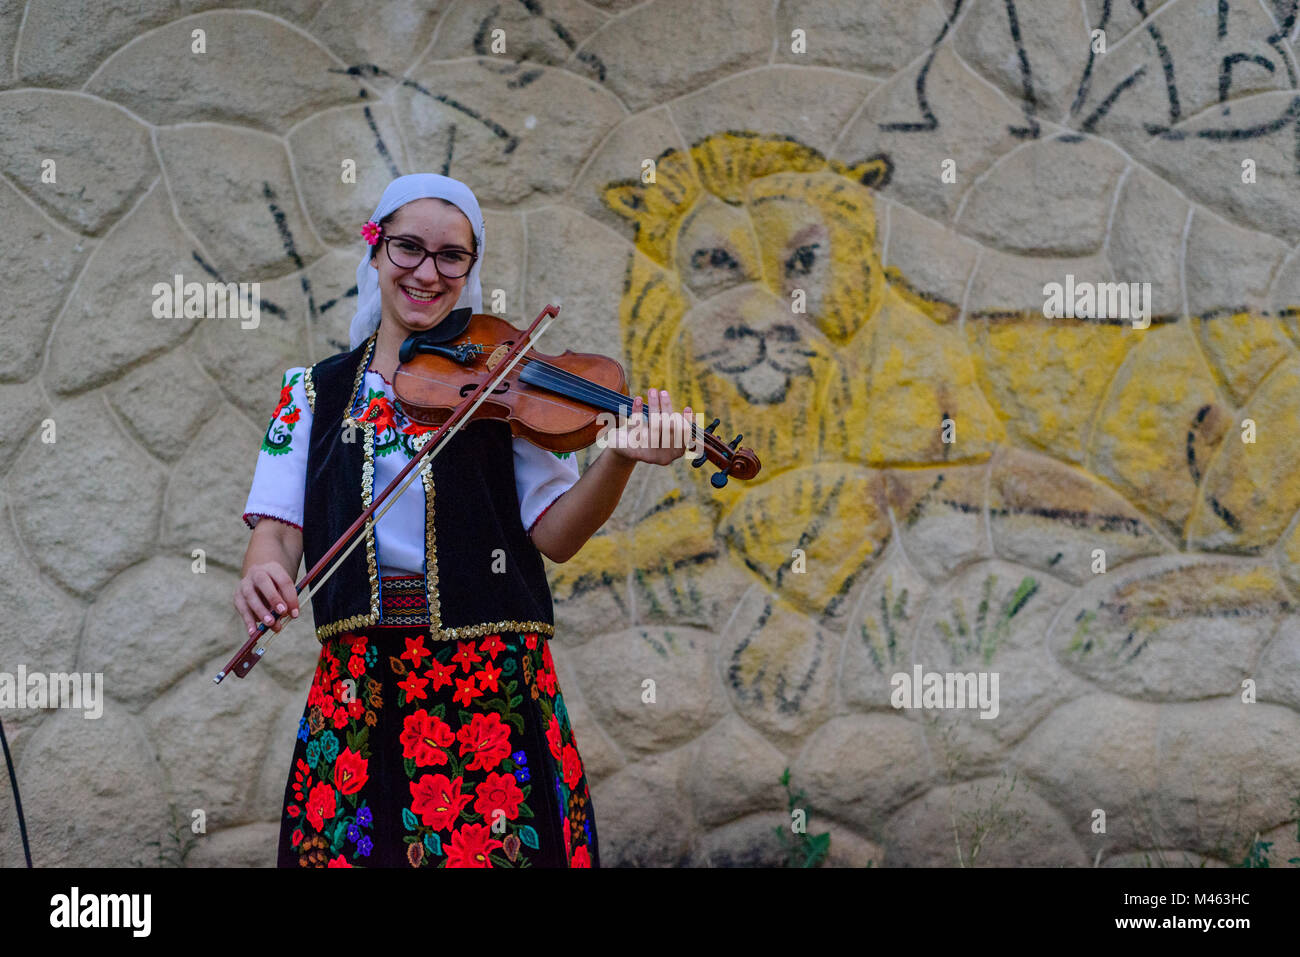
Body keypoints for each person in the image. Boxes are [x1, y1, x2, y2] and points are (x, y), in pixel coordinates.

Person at [235, 173, 693, 868]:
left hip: (491, 685)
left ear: (471, 268)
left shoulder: (505, 383)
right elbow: (278, 531)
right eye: (408, 248)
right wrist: (264, 568)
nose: (427, 271)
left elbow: (557, 536)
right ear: (376, 250)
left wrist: (619, 461)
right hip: (362, 686)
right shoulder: (314, 393)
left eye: (452, 256)